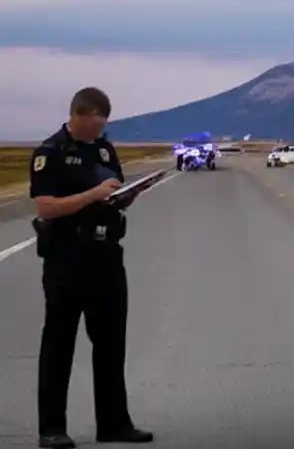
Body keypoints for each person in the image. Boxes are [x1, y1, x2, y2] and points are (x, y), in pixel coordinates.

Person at [29, 87, 153, 448]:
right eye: (93, 126)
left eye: (102, 127)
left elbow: (112, 190)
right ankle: (52, 428)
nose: (97, 133)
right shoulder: (50, 152)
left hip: (106, 256)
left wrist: (122, 196)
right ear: (78, 115)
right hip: (67, 258)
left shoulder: (104, 149)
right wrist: (92, 195)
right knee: (59, 344)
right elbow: (46, 208)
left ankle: (114, 423)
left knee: (112, 343)